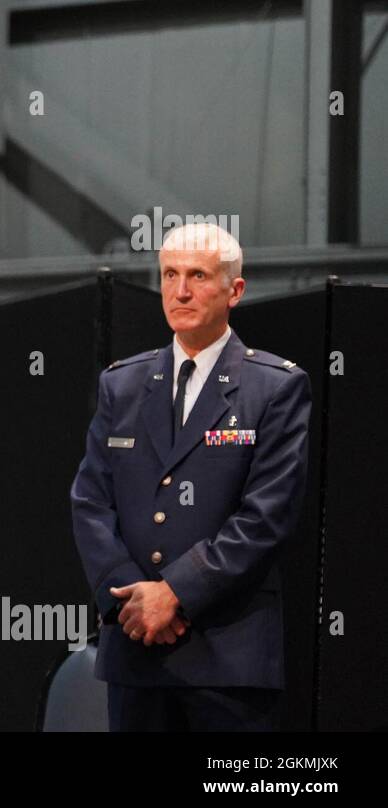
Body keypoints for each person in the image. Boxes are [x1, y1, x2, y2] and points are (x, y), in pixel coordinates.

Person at [70, 222, 311, 731]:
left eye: (198, 275)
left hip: (227, 654)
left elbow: (266, 516)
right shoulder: (123, 383)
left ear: (234, 290)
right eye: (170, 275)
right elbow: (90, 502)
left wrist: (173, 593)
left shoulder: (274, 388)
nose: (180, 291)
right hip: (136, 646)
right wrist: (131, 596)